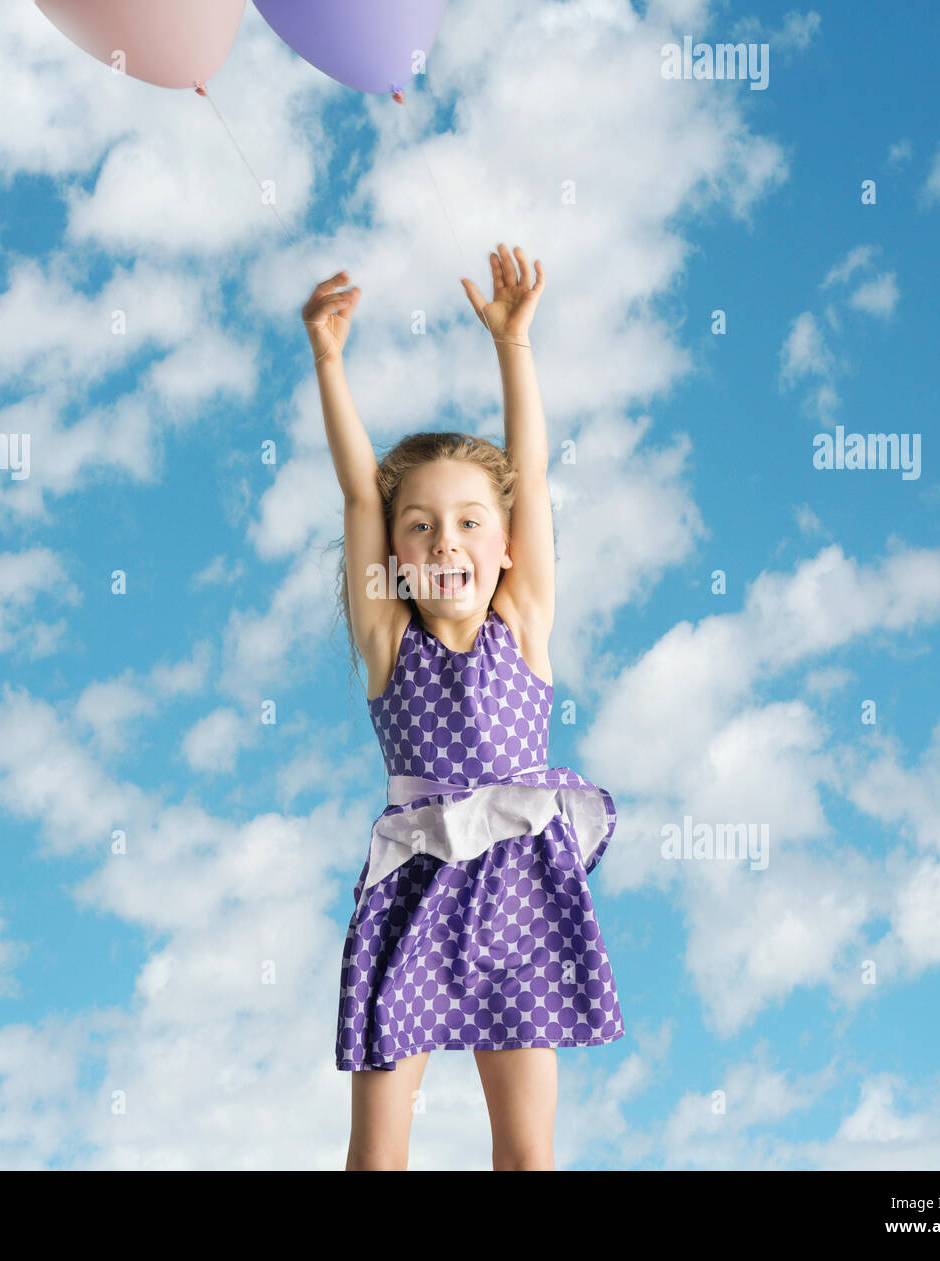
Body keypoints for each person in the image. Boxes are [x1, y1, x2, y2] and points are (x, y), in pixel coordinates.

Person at [304, 244, 623, 1171]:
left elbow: (531, 470)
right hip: (411, 887)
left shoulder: (522, 623)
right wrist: (330, 361)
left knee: (526, 1157)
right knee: (377, 1161)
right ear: (394, 555)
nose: (446, 540)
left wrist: (513, 346)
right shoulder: (387, 643)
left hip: (520, 891)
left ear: (509, 545)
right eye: (421, 524)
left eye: (472, 522)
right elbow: (361, 489)